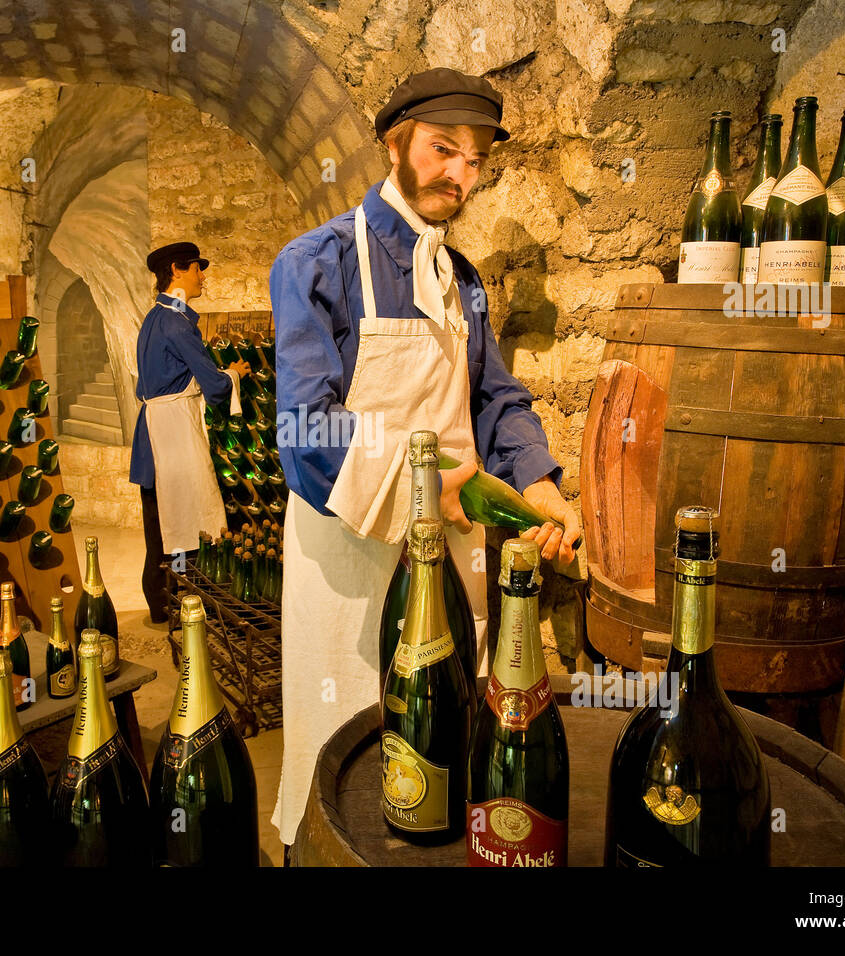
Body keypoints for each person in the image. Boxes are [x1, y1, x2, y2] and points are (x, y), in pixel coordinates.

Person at [268, 68, 583, 846]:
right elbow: (305, 430)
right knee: (346, 764)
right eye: (445, 150)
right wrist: (423, 481)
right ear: (394, 143)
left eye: (477, 161)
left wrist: (537, 480)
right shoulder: (316, 264)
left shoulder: (460, 279)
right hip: (349, 563)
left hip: (453, 562)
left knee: (447, 753)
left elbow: (494, 398)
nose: (462, 176)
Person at [130, 242, 249, 624]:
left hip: (151, 439)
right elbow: (214, 388)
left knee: (158, 528)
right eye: (198, 268)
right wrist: (235, 374)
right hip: (174, 436)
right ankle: (194, 606)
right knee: (188, 522)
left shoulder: (153, 317)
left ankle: (159, 604)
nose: (203, 276)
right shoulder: (178, 322)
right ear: (178, 270)